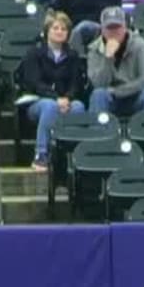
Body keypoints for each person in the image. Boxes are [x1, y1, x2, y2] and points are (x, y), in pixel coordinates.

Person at [18, 11, 86, 172]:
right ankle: (41, 155)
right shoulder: (34, 53)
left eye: (63, 29)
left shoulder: (72, 56)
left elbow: (76, 83)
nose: (59, 31)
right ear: (47, 31)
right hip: (37, 101)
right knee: (50, 106)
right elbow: (34, 82)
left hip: (65, 101)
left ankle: (74, 156)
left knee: (79, 107)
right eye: (55, 28)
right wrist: (56, 98)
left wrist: (68, 98)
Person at [87, 6, 144, 116]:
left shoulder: (140, 45)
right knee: (98, 95)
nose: (114, 32)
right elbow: (99, 84)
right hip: (109, 99)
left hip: (136, 96)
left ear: (125, 27)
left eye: (117, 27)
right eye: (109, 28)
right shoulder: (94, 49)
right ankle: (98, 132)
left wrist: (117, 92)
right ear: (102, 30)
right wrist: (108, 58)